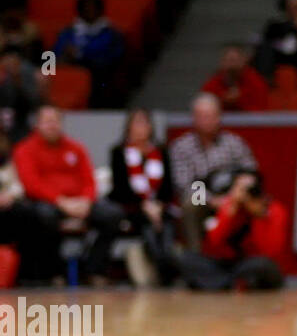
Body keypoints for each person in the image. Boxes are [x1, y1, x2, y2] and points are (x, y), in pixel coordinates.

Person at [13, 106, 125, 284]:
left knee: (113, 213)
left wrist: (86, 201)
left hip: (80, 202)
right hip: (48, 202)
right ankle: (54, 271)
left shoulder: (76, 148)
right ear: (37, 124)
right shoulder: (25, 149)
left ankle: (94, 270)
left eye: (55, 121)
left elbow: (89, 179)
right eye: (47, 121)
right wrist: (61, 202)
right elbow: (32, 184)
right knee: (43, 216)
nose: (52, 126)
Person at [169, 93, 259, 251]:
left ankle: (248, 259)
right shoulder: (182, 147)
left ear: (219, 117)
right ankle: (195, 258)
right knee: (190, 205)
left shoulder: (234, 143)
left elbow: (251, 173)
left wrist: (233, 196)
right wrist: (212, 200)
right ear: (194, 119)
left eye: (210, 116)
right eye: (202, 116)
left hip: (234, 197)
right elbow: (184, 184)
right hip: (201, 198)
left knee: (259, 205)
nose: (206, 121)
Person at [176, 170, 286, 291]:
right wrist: (231, 213)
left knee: (263, 265)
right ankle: (232, 283)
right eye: (240, 188)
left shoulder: (273, 210)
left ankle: (222, 284)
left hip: (251, 262)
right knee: (187, 259)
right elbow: (215, 243)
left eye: (249, 189)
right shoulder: (229, 206)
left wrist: (258, 216)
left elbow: (271, 251)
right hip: (227, 265)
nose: (245, 194)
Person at [108, 108, 176, 286]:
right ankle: (160, 271)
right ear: (128, 127)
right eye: (136, 122)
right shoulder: (118, 152)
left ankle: (168, 266)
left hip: (159, 207)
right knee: (147, 223)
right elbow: (120, 189)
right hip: (133, 208)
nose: (141, 127)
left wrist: (158, 206)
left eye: (144, 122)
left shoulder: (161, 151)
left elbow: (168, 187)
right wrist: (145, 206)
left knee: (168, 222)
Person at [0, 131, 60, 283]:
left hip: (9, 208)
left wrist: (10, 196)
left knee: (30, 215)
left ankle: (29, 274)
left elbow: (19, 185)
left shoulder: (9, 161)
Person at [53, 0, 126, 108]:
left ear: (100, 10)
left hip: (99, 75)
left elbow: (113, 55)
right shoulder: (68, 32)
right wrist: (61, 57)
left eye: (93, 7)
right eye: (86, 7)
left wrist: (80, 53)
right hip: (71, 69)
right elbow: (55, 52)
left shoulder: (111, 32)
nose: (89, 10)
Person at [201, 44, 269, 111]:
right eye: (228, 60)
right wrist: (224, 100)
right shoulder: (213, 84)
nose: (232, 65)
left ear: (244, 60)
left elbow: (261, 112)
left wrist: (240, 100)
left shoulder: (256, 82)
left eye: (235, 60)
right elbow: (204, 107)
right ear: (221, 62)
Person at [0, 45, 42, 143]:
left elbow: (33, 103)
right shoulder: (2, 77)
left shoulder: (26, 77)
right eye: (7, 60)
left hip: (19, 126)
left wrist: (17, 81)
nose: (10, 64)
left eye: (14, 61)